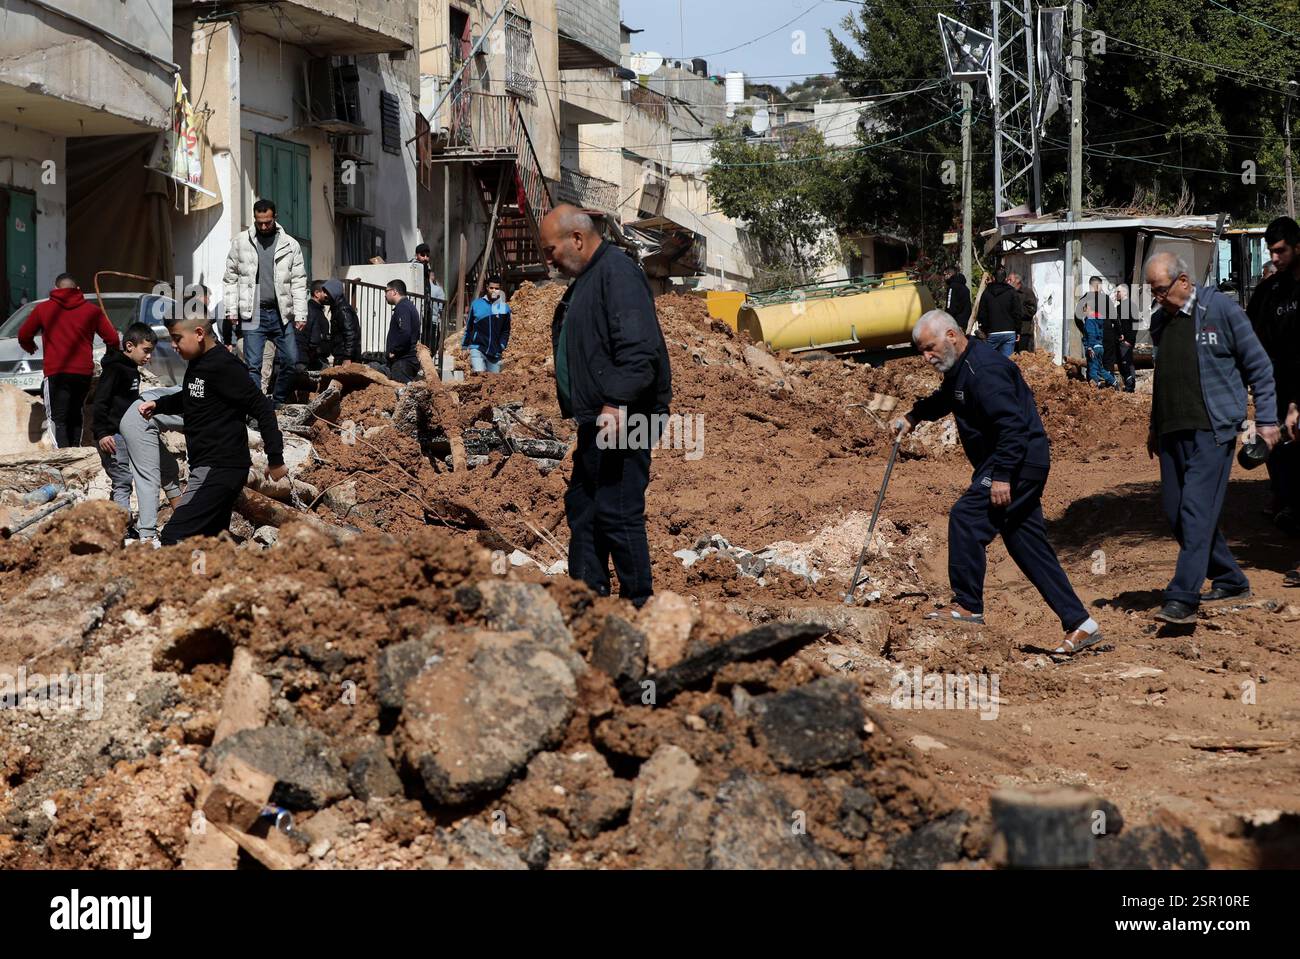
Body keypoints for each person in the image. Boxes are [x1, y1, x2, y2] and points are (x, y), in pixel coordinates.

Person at [895, 310, 1103, 655]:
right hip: (1013, 461)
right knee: (1026, 544)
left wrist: (1003, 474)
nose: (926, 357)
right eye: (921, 351)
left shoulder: (985, 370)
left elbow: (1013, 426)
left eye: (929, 348)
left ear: (951, 335)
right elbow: (948, 398)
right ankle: (1080, 623)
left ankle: (967, 606)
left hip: (1017, 462)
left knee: (966, 517)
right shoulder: (962, 368)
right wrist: (914, 416)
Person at [540, 204, 671, 609]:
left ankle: (639, 604)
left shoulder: (616, 273)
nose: (549, 260)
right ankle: (587, 602)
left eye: (551, 250)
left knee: (616, 509)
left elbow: (639, 351)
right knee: (584, 507)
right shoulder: (590, 279)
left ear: (577, 239)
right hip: (601, 416)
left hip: (627, 415)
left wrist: (616, 401)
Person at [1144, 252, 1279, 624]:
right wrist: (1154, 425)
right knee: (1176, 514)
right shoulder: (1160, 322)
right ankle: (1230, 578)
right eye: (1152, 290)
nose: (1156, 297)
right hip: (1172, 430)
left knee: (1196, 512)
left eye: (1160, 290)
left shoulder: (1221, 310)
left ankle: (1183, 597)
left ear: (1183, 282)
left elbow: (1260, 367)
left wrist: (1266, 422)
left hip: (1213, 428)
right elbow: (1163, 377)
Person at [138, 312, 286, 545]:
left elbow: (262, 408)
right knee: (209, 540)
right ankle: (210, 578)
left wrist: (275, 457)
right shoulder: (198, 363)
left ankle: (182, 579)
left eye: (177, 339)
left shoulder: (225, 366)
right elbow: (193, 396)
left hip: (219, 467)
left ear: (198, 334)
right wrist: (159, 405)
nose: (174, 346)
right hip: (209, 465)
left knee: (174, 536)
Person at [17, 273, 121, 447]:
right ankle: (75, 452)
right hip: (83, 373)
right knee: (75, 414)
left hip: (56, 373)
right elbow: (112, 338)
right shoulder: (92, 311)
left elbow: (24, 335)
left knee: (57, 417)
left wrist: (30, 347)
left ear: (55, 288)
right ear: (78, 289)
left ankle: (62, 459)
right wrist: (109, 357)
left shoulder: (43, 309)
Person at [222, 197, 307, 407]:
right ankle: (256, 407)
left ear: (275, 218)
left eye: (267, 222)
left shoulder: (290, 245)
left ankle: (277, 400)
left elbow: (299, 281)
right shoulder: (241, 242)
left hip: (281, 313)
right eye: (259, 222)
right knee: (253, 365)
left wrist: (301, 313)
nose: (263, 226)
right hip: (253, 313)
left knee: (291, 360)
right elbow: (230, 278)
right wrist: (231, 310)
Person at [1246, 216, 1300, 533]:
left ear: (1297, 246)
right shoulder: (1270, 291)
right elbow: (1247, 335)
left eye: (1281, 251)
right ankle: (1285, 500)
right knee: (1277, 448)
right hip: (1276, 390)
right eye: (1271, 251)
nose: (1274, 258)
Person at [91, 323, 155, 529]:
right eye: (145, 350)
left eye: (151, 352)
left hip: (123, 434)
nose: (149, 357)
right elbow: (100, 402)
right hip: (111, 436)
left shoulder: (131, 370)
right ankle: (123, 527)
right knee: (123, 478)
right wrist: (102, 433)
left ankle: (116, 520)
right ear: (129, 346)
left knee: (123, 479)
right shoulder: (115, 369)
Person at [463, 275, 511, 373]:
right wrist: (464, 346)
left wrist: (501, 345)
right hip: (477, 348)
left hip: (495, 353)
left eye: (497, 288)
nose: (494, 290)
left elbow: (506, 331)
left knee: (493, 383)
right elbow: (469, 327)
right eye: (491, 288)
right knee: (479, 377)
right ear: (487, 288)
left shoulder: (504, 308)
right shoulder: (476, 304)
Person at [1075, 275, 1116, 388]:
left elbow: (1077, 317)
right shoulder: (1106, 298)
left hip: (1092, 336)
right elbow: (1114, 317)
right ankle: (1110, 385)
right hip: (1106, 334)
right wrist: (1118, 332)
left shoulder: (1084, 299)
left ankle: (1092, 386)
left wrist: (1085, 330)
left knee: (1092, 362)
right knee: (1108, 361)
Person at [975, 267, 1022, 357]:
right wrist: (1018, 331)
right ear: (1005, 279)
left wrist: (984, 329)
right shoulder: (1012, 292)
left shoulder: (987, 292)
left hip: (992, 332)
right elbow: (1017, 313)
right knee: (1007, 361)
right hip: (1009, 332)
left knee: (989, 359)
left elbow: (982, 314)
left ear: (993, 278)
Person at [317, 278, 362, 367]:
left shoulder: (343, 310)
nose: (325, 295)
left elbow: (350, 334)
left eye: (327, 292)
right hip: (340, 355)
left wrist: (347, 357)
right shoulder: (337, 308)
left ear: (334, 292)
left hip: (345, 358)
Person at [384, 279, 422, 383]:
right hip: (406, 361)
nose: (385, 295)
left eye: (386, 291)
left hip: (403, 361)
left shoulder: (403, 307)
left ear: (394, 291)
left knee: (404, 393)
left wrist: (394, 351)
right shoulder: (408, 306)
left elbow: (405, 332)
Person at [298, 281, 332, 371]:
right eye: (325, 292)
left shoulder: (318, 310)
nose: (328, 295)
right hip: (312, 360)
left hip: (317, 358)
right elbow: (312, 338)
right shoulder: (311, 310)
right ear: (317, 293)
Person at [1110, 284, 1137, 393]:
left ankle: (1130, 386)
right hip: (1119, 341)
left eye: (1118, 292)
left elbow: (1135, 324)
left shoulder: (1131, 306)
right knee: (1122, 364)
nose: (1116, 294)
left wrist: (1129, 340)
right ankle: (1128, 384)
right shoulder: (1118, 307)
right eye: (1116, 292)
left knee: (1127, 363)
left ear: (1125, 292)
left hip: (1126, 342)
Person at [943, 266, 972, 330]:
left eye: (945, 275)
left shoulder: (952, 287)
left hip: (954, 323)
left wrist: (947, 321)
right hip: (963, 323)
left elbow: (949, 306)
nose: (944, 277)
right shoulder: (965, 288)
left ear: (949, 274)